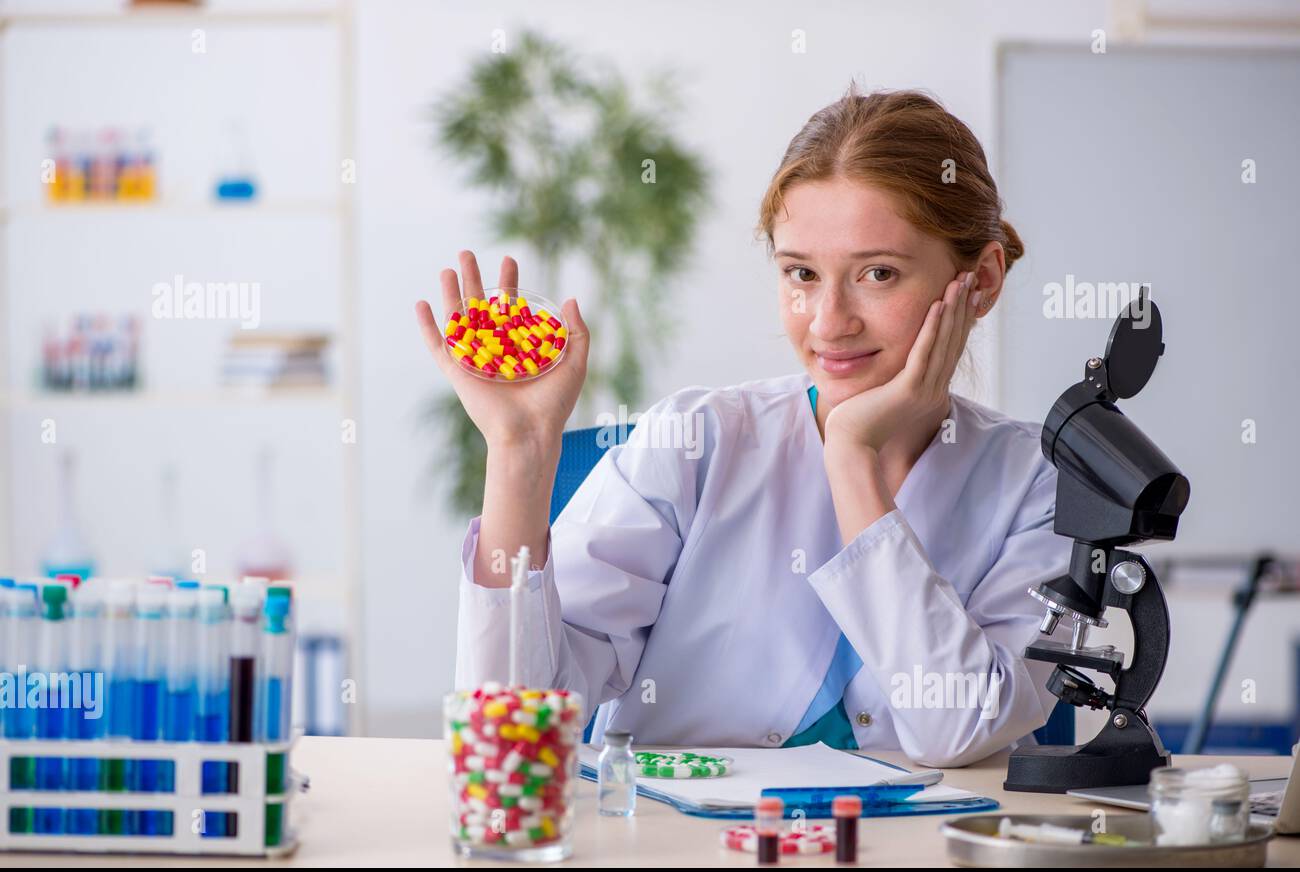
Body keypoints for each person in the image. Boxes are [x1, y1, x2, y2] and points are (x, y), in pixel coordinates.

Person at [417, 86, 1070, 767]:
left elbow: (954, 729)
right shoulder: (696, 444)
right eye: (801, 273)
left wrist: (851, 454)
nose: (828, 321)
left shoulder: (1037, 489)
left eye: (878, 273)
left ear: (982, 280)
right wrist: (518, 451)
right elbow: (515, 735)